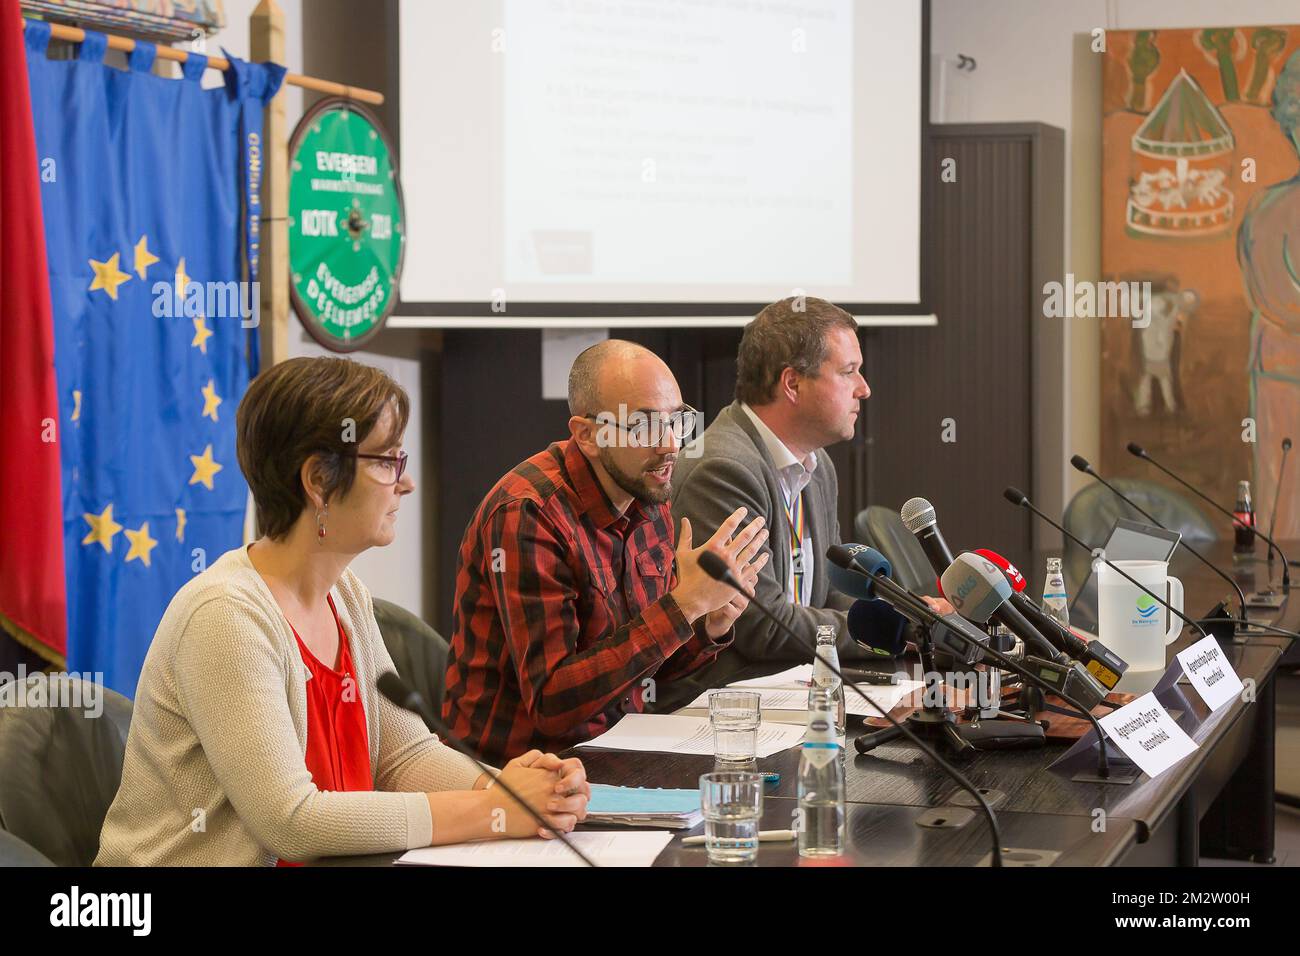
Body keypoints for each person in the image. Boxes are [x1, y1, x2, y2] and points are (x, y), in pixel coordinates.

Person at [96, 357, 588, 866]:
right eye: (386, 462)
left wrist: (515, 790)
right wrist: (495, 810)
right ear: (318, 480)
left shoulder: (344, 594)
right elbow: (292, 822)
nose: (405, 483)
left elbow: (404, 756)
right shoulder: (225, 617)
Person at [444, 340, 768, 764]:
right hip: (514, 775)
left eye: (677, 422)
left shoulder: (647, 494)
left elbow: (644, 671)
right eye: (645, 425)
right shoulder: (528, 514)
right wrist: (681, 604)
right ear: (587, 435)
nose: (671, 445)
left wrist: (708, 622)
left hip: (613, 756)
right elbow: (553, 706)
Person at [670, 297, 950, 688]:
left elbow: (833, 593)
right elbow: (761, 626)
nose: (864, 389)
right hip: (731, 706)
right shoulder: (723, 470)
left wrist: (902, 613)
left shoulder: (816, 466)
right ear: (793, 383)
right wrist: (899, 628)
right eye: (849, 372)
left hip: (796, 690)